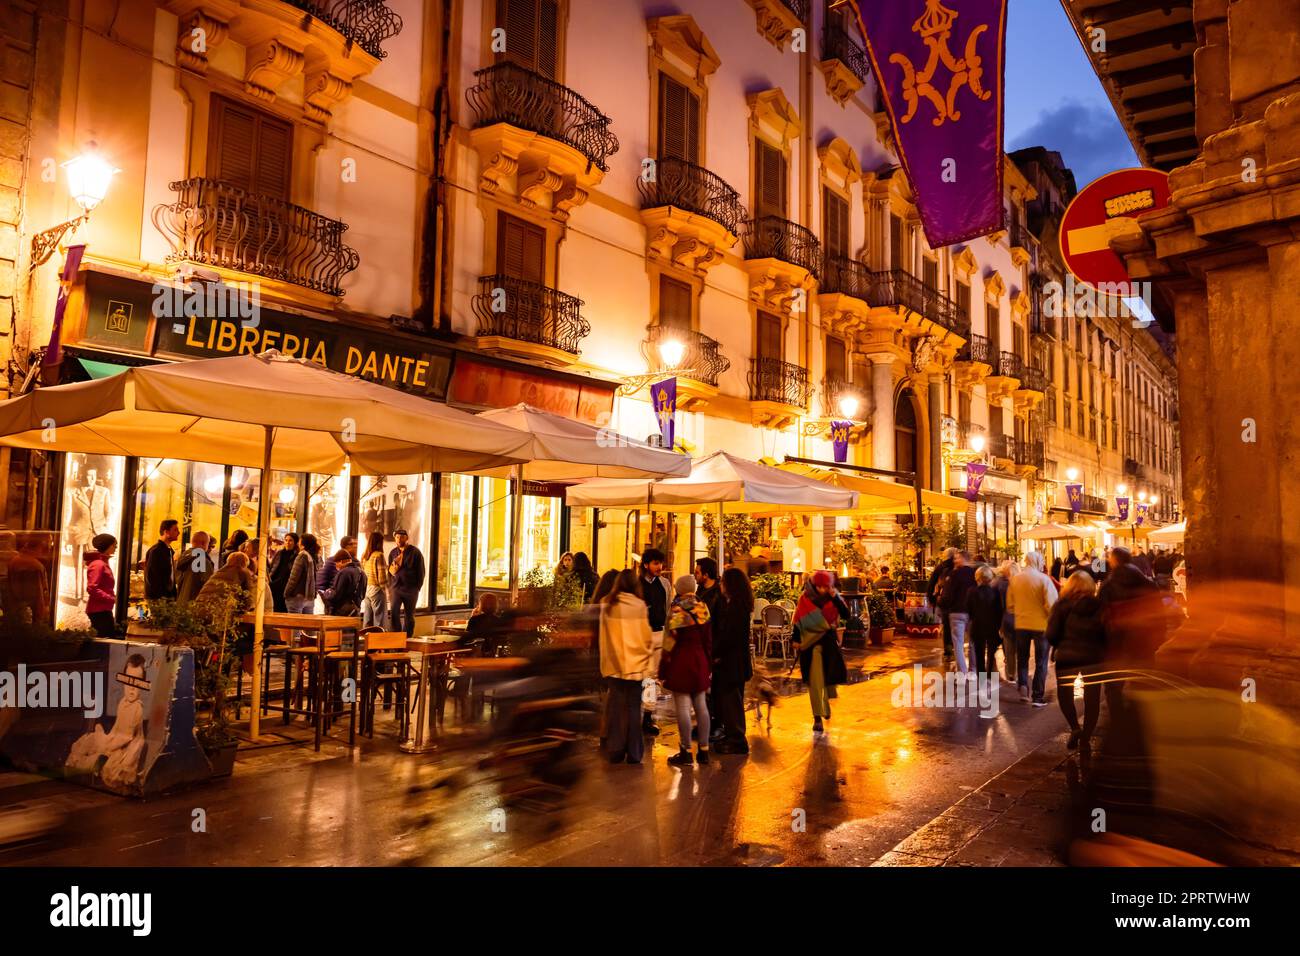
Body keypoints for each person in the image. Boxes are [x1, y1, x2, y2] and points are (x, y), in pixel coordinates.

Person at [1046, 570, 1107, 751]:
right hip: (1093, 657)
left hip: (1067, 657)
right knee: (1092, 698)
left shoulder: (1061, 605)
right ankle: (1086, 736)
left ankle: (1074, 728)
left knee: (1065, 695)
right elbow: (1107, 631)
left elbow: (1051, 634)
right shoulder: (1099, 605)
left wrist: (1060, 644)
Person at [599, 569, 655, 765]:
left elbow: (603, 636)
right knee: (633, 709)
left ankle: (615, 750)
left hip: (614, 665)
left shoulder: (607, 604)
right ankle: (634, 752)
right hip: (636, 665)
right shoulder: (639, 605)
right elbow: (645, 635)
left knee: (615, 708)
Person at [661, 575, 713, 767]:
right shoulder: (702, 607)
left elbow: (670, 641)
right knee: (701, 705)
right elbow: (708, 639)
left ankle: (686, 751)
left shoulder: (676, 609)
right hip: (700, 660)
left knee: (683, 707)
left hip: (681, 660)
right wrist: (709, 662)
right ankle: (704, 750)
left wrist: (663, 667)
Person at [792, 570, 849, 734]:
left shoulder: (834, 597)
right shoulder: (805, 598)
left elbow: (846, 614)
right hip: (810, 646)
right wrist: (796, 640)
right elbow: (798, 620)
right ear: (815, 585)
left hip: (828, 643)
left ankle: (825, 706)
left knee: (829, 679)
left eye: (827, 586)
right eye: (821, 586)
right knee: (815, 682)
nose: (824, 589)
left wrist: (835, 597)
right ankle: (817, 716)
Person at [1006, 551, 1058, 706]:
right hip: (1041, 625)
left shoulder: (1015, 579)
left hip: (1021, 624)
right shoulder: (1043, 579)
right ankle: (1037, 696)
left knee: (1022, 657)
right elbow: (1052, 605)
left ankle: (1023, 686)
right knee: (1041, 661)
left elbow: (1010, 605)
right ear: (1038, 561)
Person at [711, 567, 754, 755]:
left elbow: (730, 635)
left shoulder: (736, 607)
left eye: (723, 582)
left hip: (731, 662)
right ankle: (731, 735)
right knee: (729, 700)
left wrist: (716, 651)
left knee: (731, 701)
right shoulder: (735, 604)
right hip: (733, 661)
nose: (720, 586)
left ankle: (737, 739)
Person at [638, 548, 672, 736]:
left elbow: (668, 610)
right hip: (641, 636)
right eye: (656, 563)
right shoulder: (637, 585)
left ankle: (648, 717)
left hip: (659, 633)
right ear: (646, 565)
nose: (660, 567)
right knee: (641, 676)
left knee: (653, 678)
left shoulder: (665, 584)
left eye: (660, 563)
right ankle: (639, 714)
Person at [938, 551, 977, 673]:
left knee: (958, 644)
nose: (954, 561)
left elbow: (948, 595)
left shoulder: (954, 575)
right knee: (973, 643)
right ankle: (973, 670)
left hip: (957, 612)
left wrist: (940, 602)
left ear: (963, 559)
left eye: (957, 558)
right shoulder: (974, 574)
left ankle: (962, 672)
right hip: (972, 612)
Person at [963, 564, 1003, 680]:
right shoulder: (995, 592)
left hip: (977, 626)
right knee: (991, 651)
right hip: (992, 626)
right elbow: (999, 610)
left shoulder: (971, 592)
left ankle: (982, 675)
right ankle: (990, 671)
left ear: (977, 577)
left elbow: (968, 609)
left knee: (979, 652)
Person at [6, 533, 50, 625]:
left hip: (15, 614)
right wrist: (40, 620)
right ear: (42, 544)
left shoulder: (16, 560)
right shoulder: (35, 566)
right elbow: (38, 597)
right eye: (49, 543)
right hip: (27, 619)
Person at [388, 529, 425, 637]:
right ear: (395, 539)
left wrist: (417, 587)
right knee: (394, 613)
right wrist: (391, 586)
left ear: (407, 538)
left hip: (411, 589)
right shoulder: (393, 552)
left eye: (402, 537)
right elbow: (389, 571)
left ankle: (407, 637)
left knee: (409, 615)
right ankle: (396, 637)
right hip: (396, 588)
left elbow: (421, 571)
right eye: (397, 537)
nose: (399, 539)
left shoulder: (415, 552)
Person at [84, 533, 118, 637]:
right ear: (107, 546)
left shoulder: (102, 563)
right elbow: (92, 588)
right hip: (99, 610)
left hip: (103, 609)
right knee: (104, 640)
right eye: (114, 545)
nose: (116, 547)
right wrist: (111, 598)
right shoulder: (98, 564)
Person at [927, 547, 957, 661]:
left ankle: (948, 650)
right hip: (956, 602)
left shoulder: (941, 567)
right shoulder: (957, 566)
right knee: (955, 625)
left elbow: (931, 583)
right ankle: (954, 647)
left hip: (944, 601)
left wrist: (931, 599)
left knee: (947, 626)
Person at [172, 531, 214, 607]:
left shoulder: (182, 557)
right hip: (194, 605)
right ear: (204, 543)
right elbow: (208, 585)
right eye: (208, 544)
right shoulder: (201, 560)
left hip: (180, 603)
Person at [283, 533, 320, 615]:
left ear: (303, 545)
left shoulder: (302, 556)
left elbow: (293, 578)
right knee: (307, 625)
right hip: (310, 597)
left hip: (297, 596)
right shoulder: (316, 557)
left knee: (295, 625)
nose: (298, 543)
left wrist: (286, 593)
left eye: (299, 541)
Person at [321, 550, 366, 616]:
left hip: (342, 611)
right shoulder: (362, 573)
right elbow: (363, 594)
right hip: (356, 609)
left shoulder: (343, 572)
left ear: (341, 561)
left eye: (336, 563)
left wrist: (326, 593)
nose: (336, 566)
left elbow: (336, 594)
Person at [144, 519, 180, 601]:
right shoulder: (156, 551)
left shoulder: (169, 550)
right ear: (166, 532)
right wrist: (160, 597)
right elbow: (152, 577)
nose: (178, 532)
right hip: (159, 599)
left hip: (168, 597)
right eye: (175, 530)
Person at [465, 592, 510, 656]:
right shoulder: (499, 620)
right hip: (493, 652)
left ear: (481, 604)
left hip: (475, 652)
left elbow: (467, 636)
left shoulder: (475, 619)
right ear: (495, 605)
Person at [995, 559, 1018, 683]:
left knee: (1009, 648)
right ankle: (1021, 673)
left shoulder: (1000, 583)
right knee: (1021, 648)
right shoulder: (1021, 582)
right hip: (1021, 618)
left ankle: (1011, 673)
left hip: (1007, 618)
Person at [359, 531, 389, 628]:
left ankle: (365, 638)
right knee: (379, 619)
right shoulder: (379, 555)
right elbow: (381, 577)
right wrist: (386, 591)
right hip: (377, 589)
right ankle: (378, 641)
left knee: (368, 618)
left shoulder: (365, 555)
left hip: (367, 588)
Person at [268, 532, 299, 613]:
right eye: (286, 540)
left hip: (286, 586)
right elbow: (272, 567)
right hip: (275, 584)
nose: (288, 543)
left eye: (290, 540)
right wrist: (270, 580)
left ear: (295, 542)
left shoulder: (297, 555)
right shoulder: (279, 553)